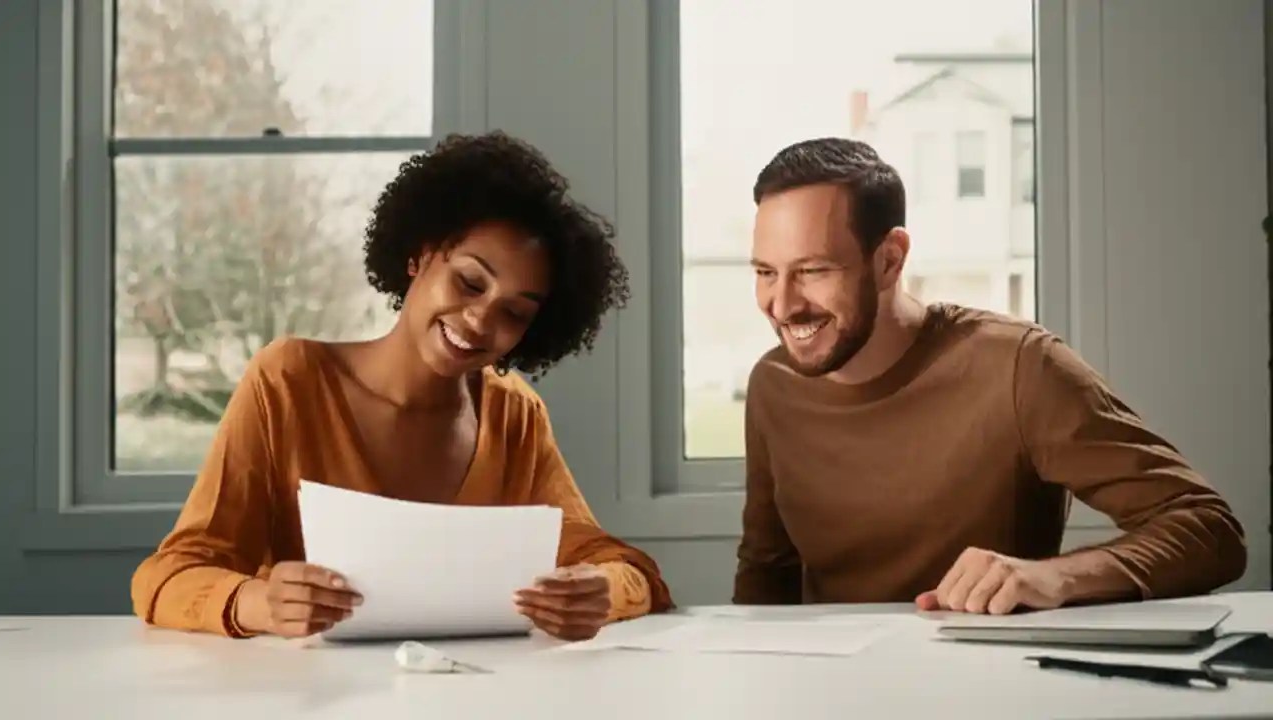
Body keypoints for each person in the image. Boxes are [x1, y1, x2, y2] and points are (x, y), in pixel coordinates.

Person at [131, 131, 673, 640]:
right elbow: (169, 575)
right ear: (418, 255)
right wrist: (260, 604)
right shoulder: (288, 382)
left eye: (513, 313)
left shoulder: (514, 416)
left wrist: (600, 592)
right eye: (469, 282)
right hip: (309, 692)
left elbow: (624, 569)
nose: (480, 320)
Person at [735, 137, 1246, 615]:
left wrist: (1057, 578)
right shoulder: (772, 385)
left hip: (995, 674)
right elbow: (765, 573)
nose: (782, 305)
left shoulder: (1019, 367)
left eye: (813, 271)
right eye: (765, 273)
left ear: (889, 260)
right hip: (835, 679)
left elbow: (1211, 530)